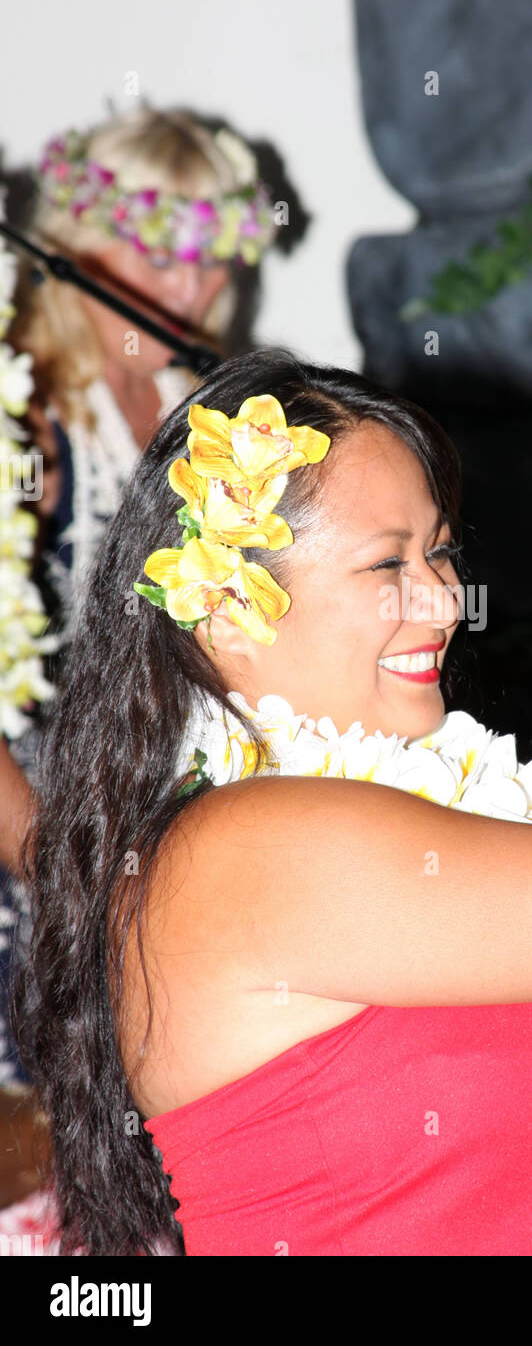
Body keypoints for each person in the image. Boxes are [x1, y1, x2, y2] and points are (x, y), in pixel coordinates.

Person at [13, 347, 532, 1258]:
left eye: (441, 552)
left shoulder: (476, 801)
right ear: (227, 607)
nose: (446, 599)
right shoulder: (242, 848)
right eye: (389, 565)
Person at [0, 105, 277, 1196]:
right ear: (72, 254)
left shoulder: (191, 412)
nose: (186, 285)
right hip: (36, 843)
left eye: (208, 257)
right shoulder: (26, 425)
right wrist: (70, 886)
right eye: (151, 251)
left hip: (159, 815)